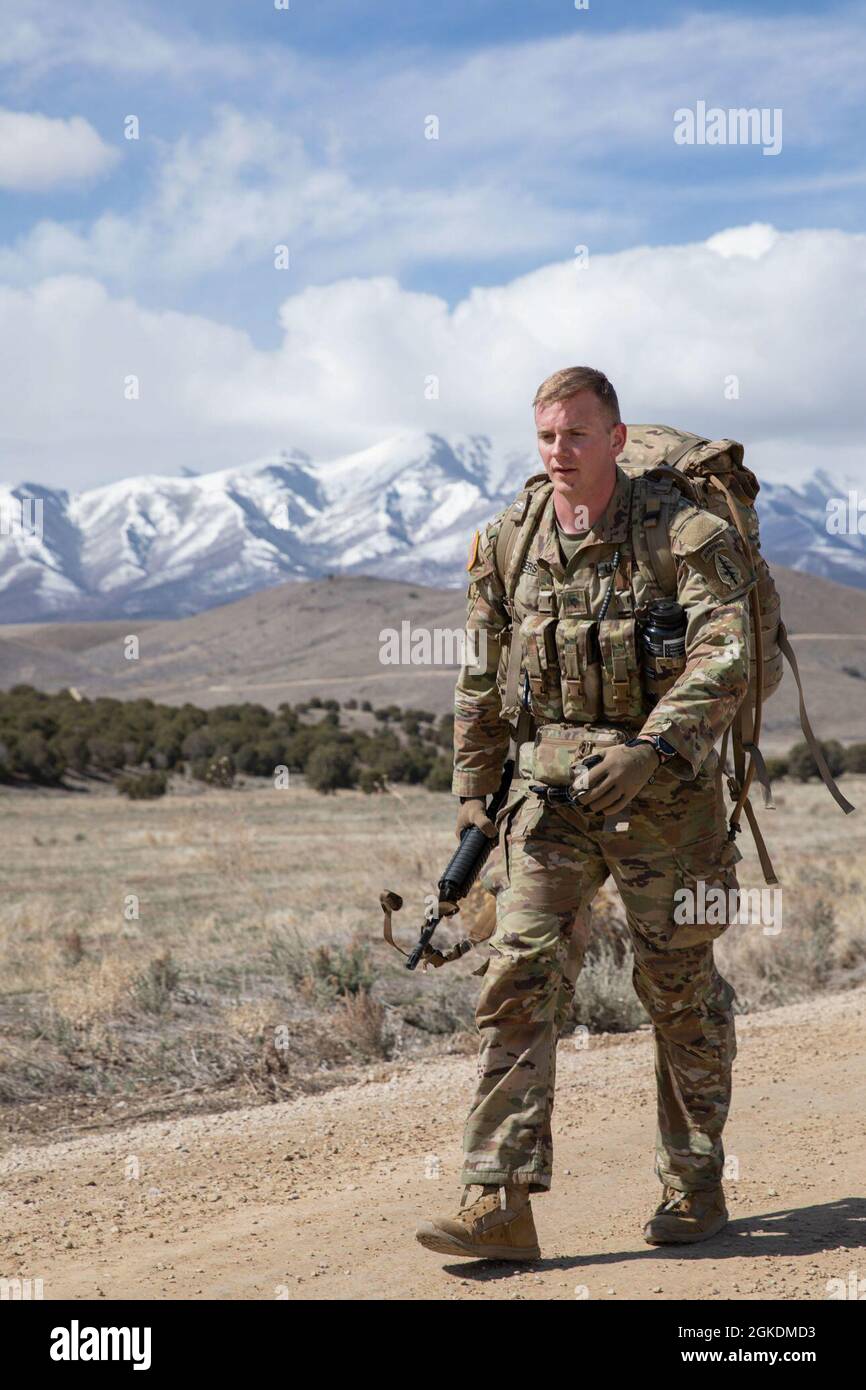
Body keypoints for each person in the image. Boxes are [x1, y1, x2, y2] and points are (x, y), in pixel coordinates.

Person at [415, 366, 755, 1261]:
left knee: (678, 991)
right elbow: (481, 680)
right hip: (549, 799)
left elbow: (728, 654)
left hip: (668, 798)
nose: (558, 453)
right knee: (518, 975)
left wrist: (653, 749)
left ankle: (694, 1181)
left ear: (614, 438)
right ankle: (497, 1200)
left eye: (575, 435)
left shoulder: (687, 533)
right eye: (545, 438)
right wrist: (470, 799)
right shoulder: (505, 543)